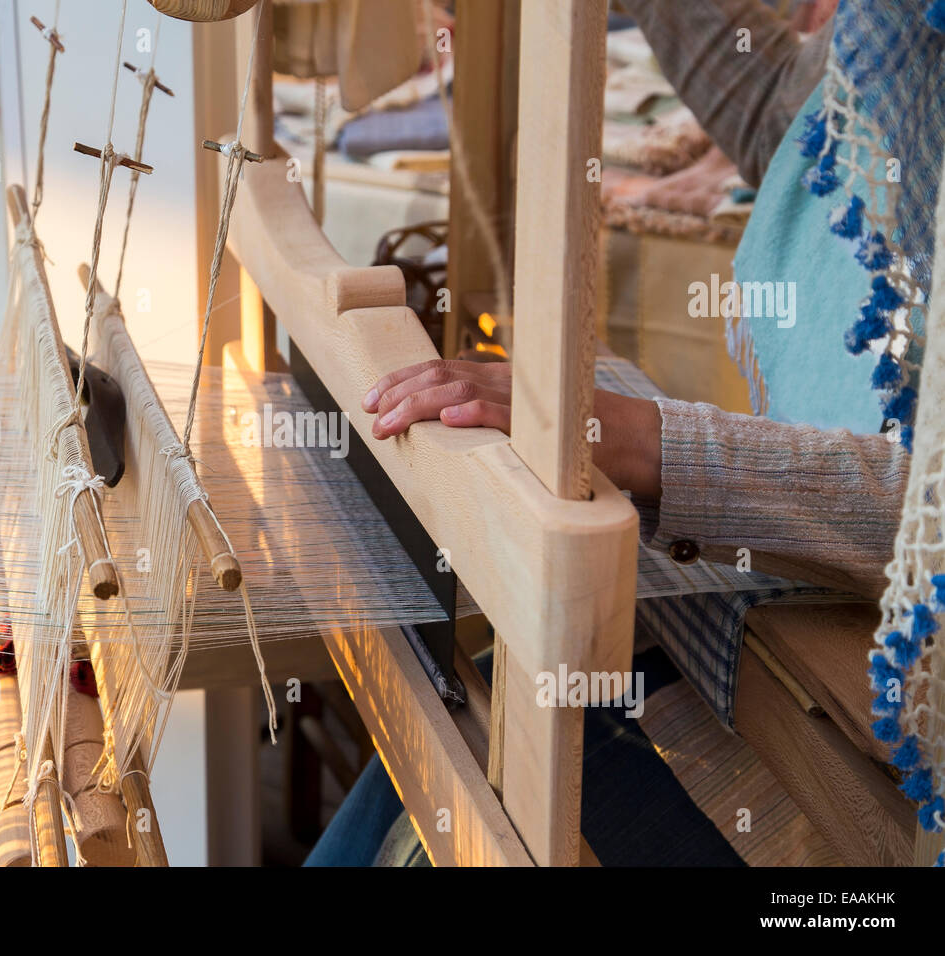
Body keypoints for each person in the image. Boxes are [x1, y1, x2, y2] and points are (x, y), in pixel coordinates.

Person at [312, 0, 943, 865]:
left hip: (885, 760)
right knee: (450, 752)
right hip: (799, 651)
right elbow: (789, 123)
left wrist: (645, 438)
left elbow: (931, 514)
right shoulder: (898, 40)